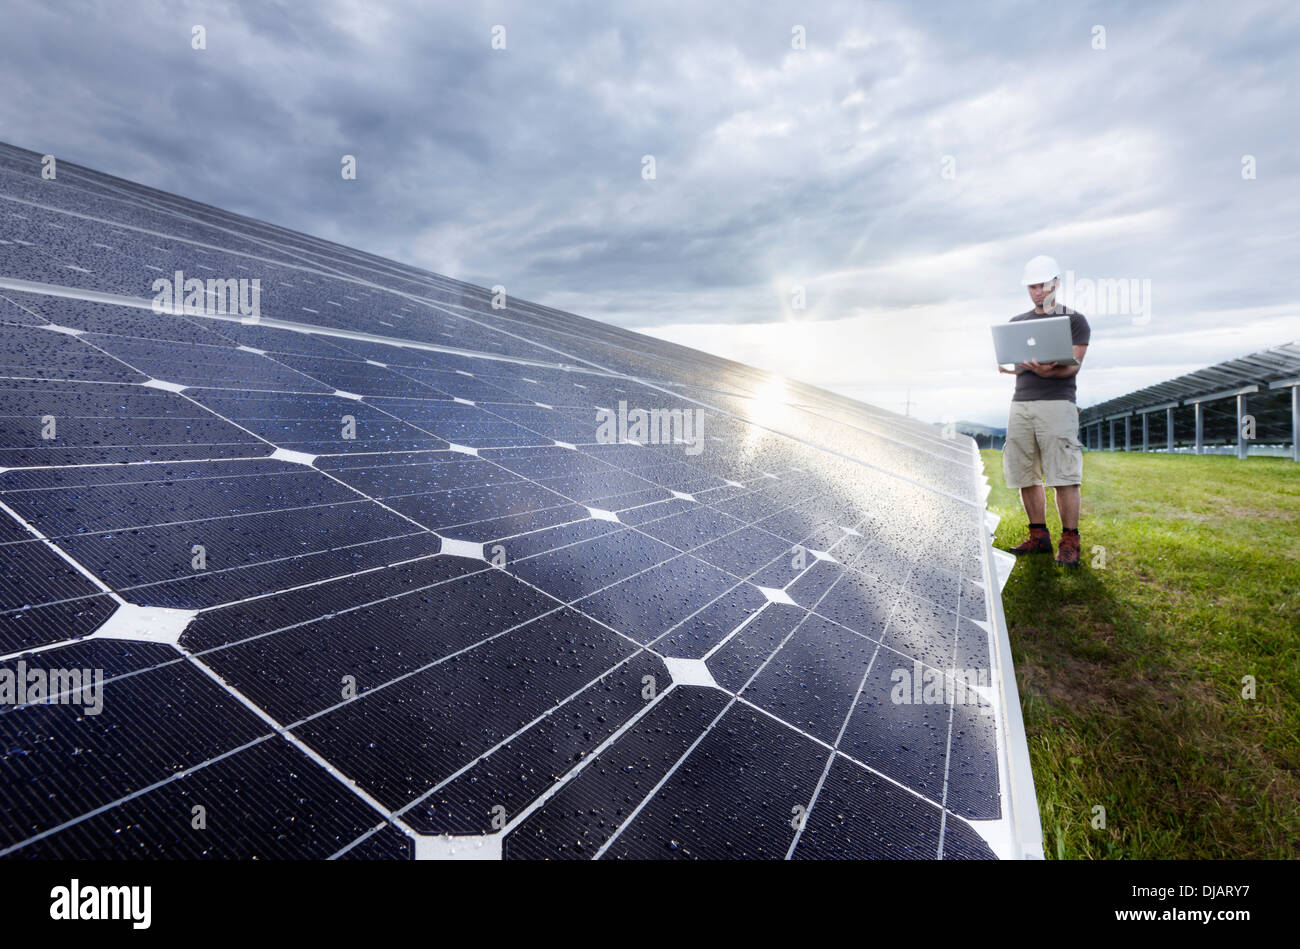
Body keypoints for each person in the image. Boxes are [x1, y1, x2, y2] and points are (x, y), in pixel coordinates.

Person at [999, 255, 1091, 567]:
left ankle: (1070, 541)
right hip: (1021, 404)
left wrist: (1049, 372)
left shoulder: (1074, 321)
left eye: (1043, 285)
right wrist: (1010, 366)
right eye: (1032, 286)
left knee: (1063, 474)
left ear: (1056, 284)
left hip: (1057, 404)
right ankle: (1039, 536)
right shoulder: (1016, 324)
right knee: (1024, 471)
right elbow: (1017, 365)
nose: (1038, 292)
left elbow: (1073, 367)